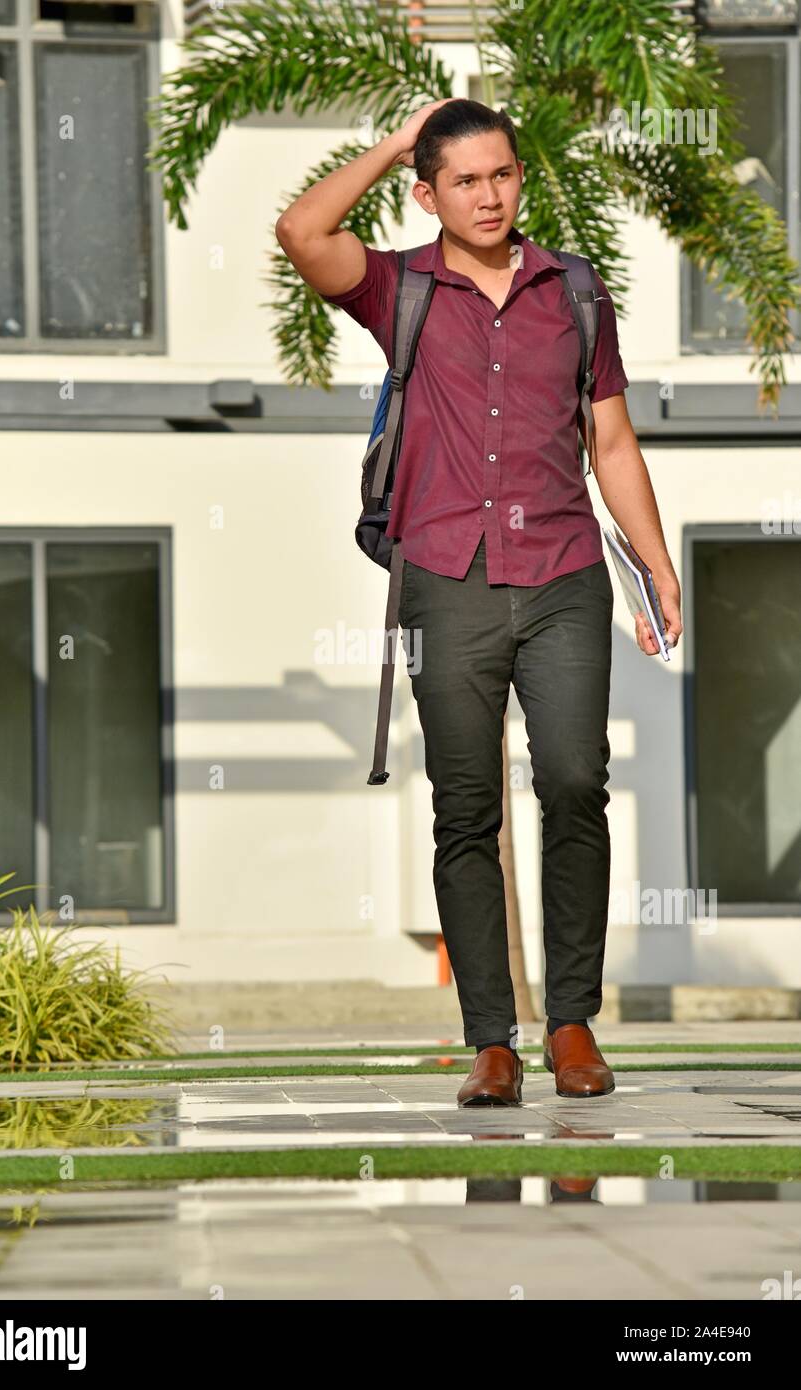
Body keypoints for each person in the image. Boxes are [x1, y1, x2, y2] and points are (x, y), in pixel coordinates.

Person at [275, 98, 683, 1107]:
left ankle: (572, 1023)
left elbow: (610, 442)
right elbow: (302, 231)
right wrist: (395, 140)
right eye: (463, 180)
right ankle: (491, 1042)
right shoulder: (398, 289)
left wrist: (655, 563)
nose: (488, 195)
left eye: (500, 174)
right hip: (446, 580)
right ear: (428, 194)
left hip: (562, 575)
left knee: (574, 783)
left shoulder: (574, 290)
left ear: (519, 178)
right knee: (464, 809)